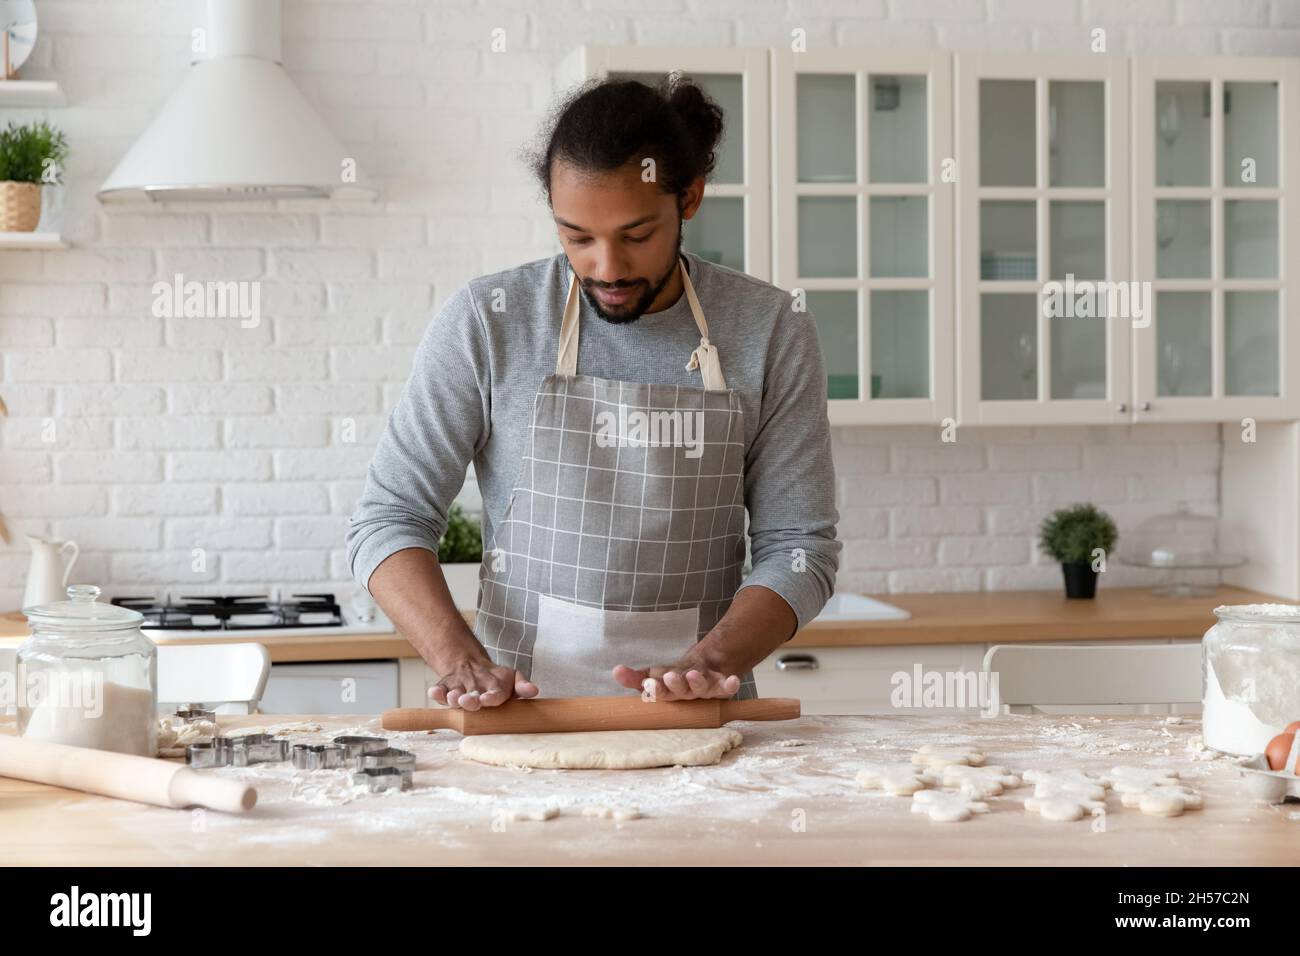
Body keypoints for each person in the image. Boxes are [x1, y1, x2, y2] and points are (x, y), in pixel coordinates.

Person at [346, 76, 840, 710]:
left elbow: (801, 547)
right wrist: (458, 657)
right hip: (518, 719)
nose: (606, 268)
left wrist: (713, 662)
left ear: (688, 198)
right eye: (577, 237)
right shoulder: (490, 319)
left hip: (698, 722)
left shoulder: (770, 328)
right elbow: (389, 518)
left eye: (636, 235)